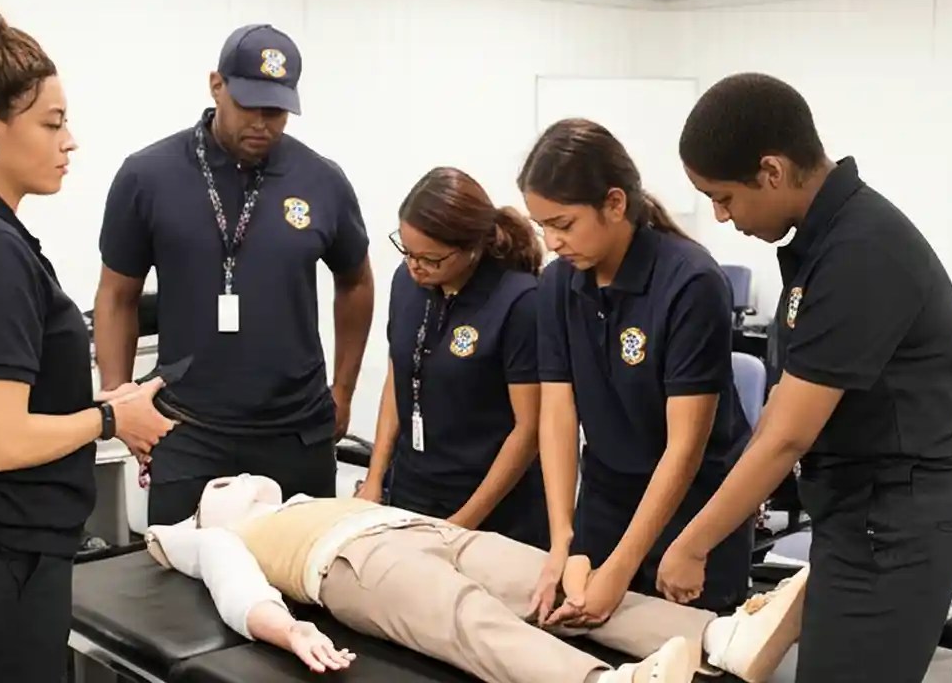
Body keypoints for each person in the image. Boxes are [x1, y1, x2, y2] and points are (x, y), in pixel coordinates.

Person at [0, 0, 175, 682]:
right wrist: (111, 417)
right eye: (52, 122)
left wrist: (103, 402)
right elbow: (0, 441)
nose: (69, 140)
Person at [657, 72, 952, 683]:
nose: (721, 216)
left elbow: (788, 436)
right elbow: (782, 403)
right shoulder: (825, 240)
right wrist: (739, 505)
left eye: (724, 197)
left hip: (893, 532)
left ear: (771, 172)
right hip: (857, 518)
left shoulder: (863, 250)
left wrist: (693, 544)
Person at [93, 22, 375, 524]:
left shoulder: (322, 180)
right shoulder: (148, 176)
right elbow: (117, 295)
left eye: (277, 111)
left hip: (297, 432)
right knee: (176, 591)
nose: (263, 124)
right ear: (216, 85)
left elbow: (356, 281)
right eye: (249, 106)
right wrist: (121, 402)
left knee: (302, 590)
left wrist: (344, 390)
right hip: (187, 430)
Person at [145, 473, 808, 683]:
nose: (234, 485)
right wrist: (286, 630)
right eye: (221, 488)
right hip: (350, 566)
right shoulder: (217, 536)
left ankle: (720, 636)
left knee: (555, 590)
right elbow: (231, 586)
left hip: (426, 529)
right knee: (465, 618)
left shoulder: (305, 500)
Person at [517, 119, 755, 628]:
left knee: (687, 652)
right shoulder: (559, 284)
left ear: (615, 204)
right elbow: (558, 414)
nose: (552, 241)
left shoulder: (691, 282)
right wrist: (563, 539)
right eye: (542, 227)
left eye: (563, 223)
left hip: (691, 507)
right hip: (607, 498)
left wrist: (621, 568)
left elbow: (684, 448)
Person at [355, 167, 549, 548]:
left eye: (431, 259)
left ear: (472, 248)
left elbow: (529, 430)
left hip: (492, 508)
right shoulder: (406, 283)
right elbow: (398, 377)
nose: (415, 266)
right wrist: (375, 479)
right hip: (412, 491)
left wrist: (463, 523)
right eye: (407, 252)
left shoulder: (520, 301)